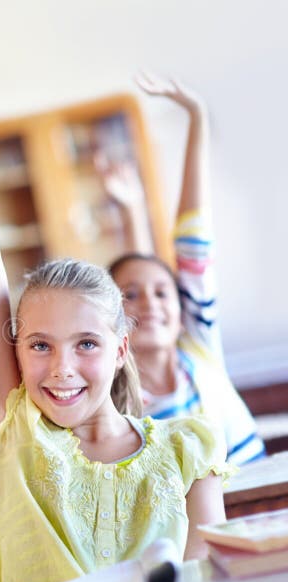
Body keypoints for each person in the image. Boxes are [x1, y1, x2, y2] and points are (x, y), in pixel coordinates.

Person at [0, 14, 230, 582]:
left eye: (86, 344)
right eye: (39, 345)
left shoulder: (189, 449)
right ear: (15, 349)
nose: (61, 368)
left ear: (119, 350)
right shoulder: (11, 429)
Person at [99, 73, 265, 466]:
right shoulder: (117, 399)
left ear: (180, 307)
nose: (151, 304)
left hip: (261, 503)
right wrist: (132, 211)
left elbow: (193, 239)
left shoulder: (199, 345)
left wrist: (196, 116)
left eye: (162, 293)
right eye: (131, 297)